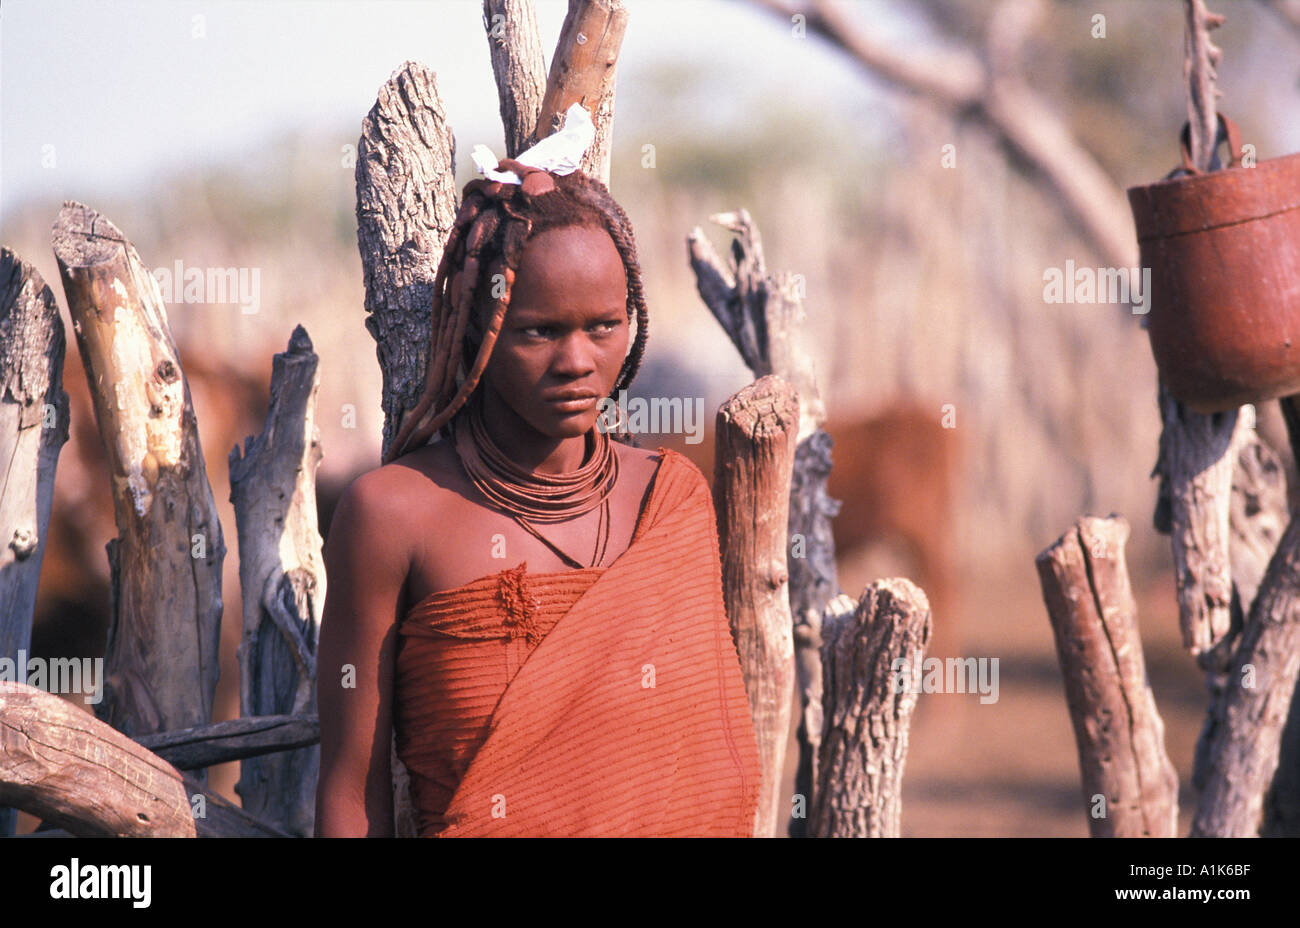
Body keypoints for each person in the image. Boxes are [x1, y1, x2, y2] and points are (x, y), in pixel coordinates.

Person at [315, 120, 760, 837]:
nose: (578, 360)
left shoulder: (668, 503)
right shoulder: (392, 514)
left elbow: (699, 773)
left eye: (603, 326)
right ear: (477, 330)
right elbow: (349, 795)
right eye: (538, 332)